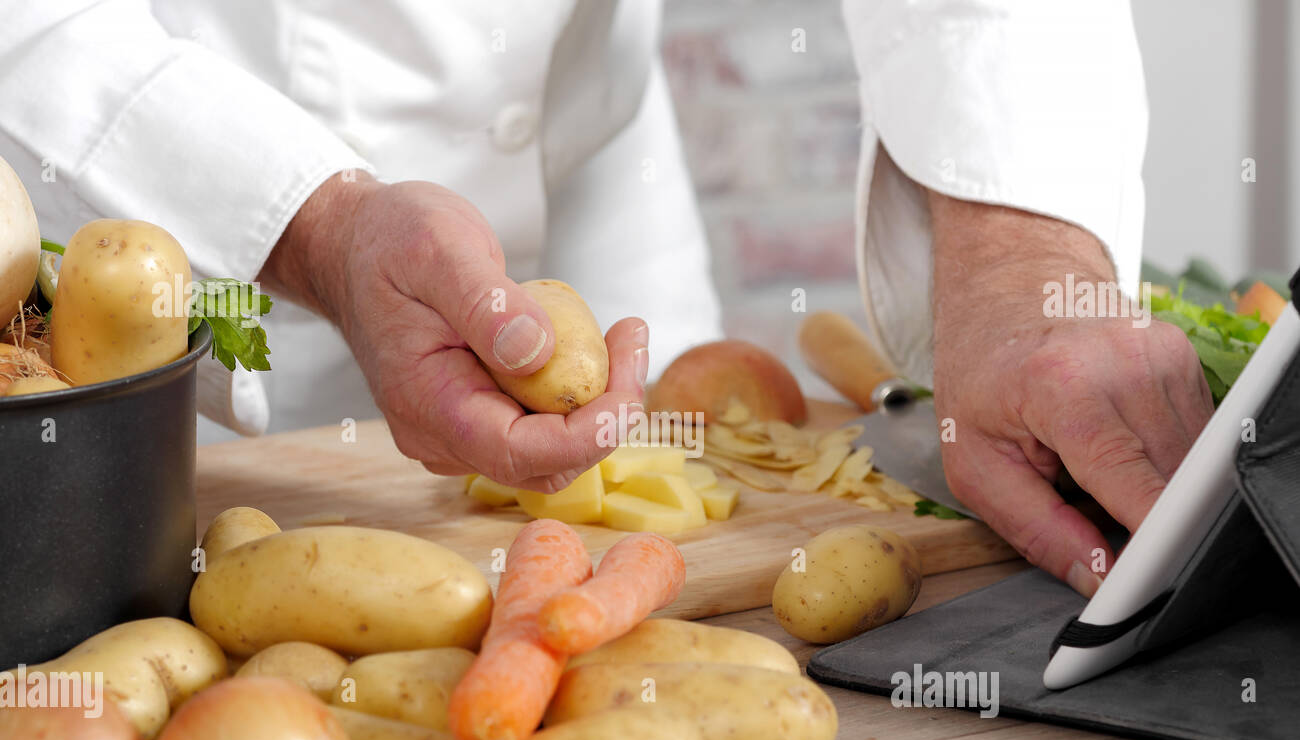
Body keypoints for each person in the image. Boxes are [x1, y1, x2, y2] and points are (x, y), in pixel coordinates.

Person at [0, 0, 1211, 597]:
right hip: (199, 218)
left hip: (596, 162)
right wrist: (317, 226)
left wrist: (1014, 251)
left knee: (694, 530)